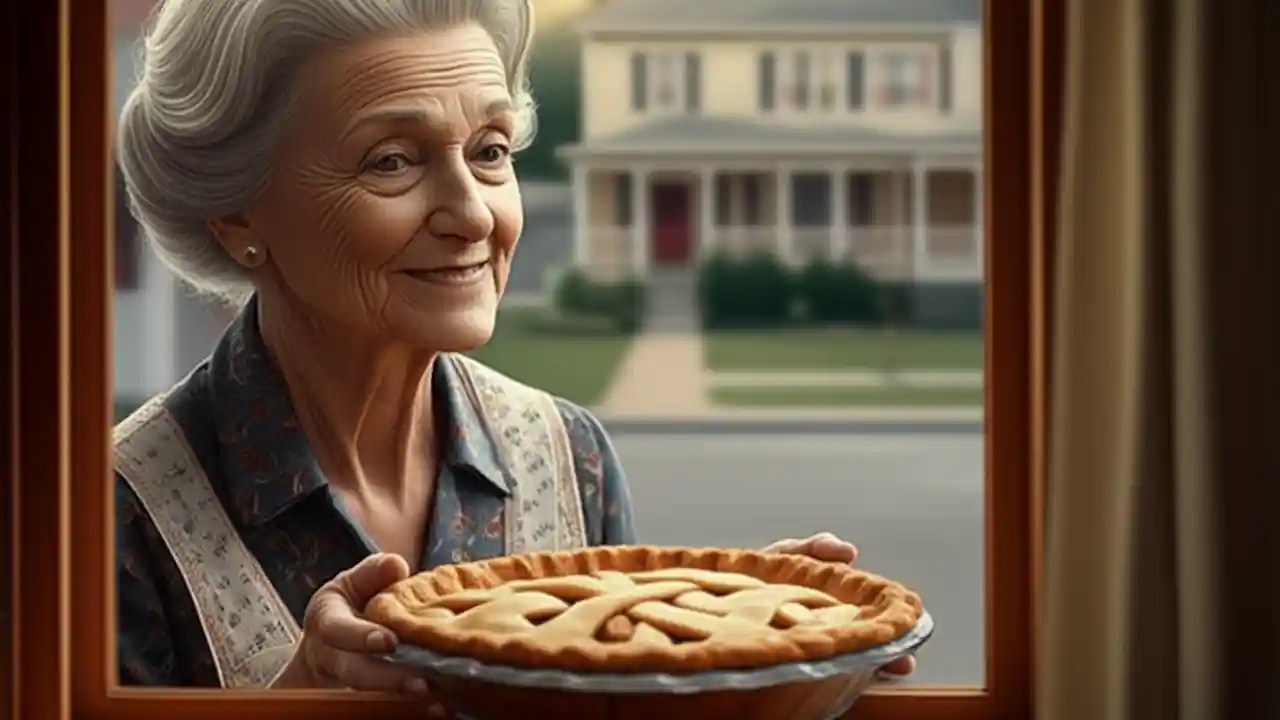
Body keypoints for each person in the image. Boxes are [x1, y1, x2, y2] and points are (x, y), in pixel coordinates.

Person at [113, 0, 916, 695]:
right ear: (238, 216)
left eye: (491, 151)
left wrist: (731, 651)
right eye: (391, 161)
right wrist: (299, 702)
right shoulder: (109, 514)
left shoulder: (571, 456)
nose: (472, 213)